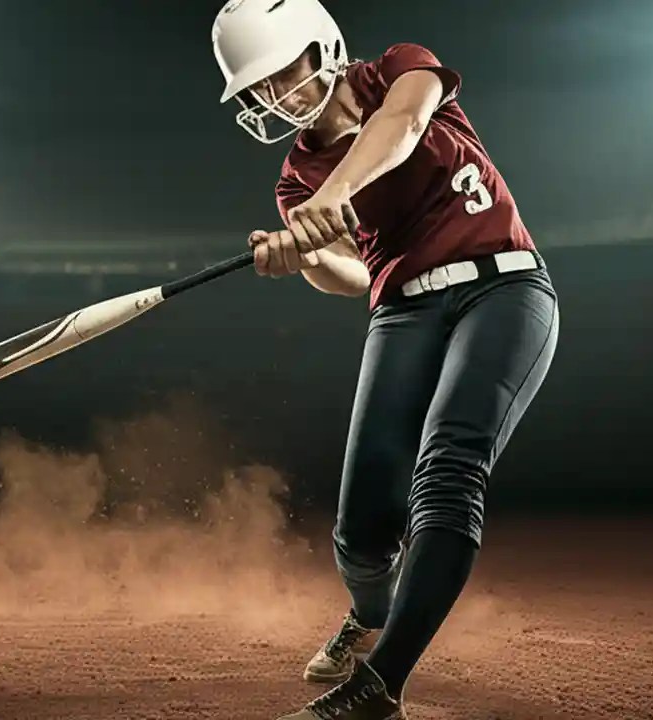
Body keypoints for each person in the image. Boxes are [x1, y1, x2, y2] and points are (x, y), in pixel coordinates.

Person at [211, 1, 560, 718]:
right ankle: (370, 612)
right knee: (361, 532)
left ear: (323, 47)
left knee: (448, 469)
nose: (275, 98)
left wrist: (335, 194)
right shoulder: (293, 182)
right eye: (258, 90)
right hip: (401, 308)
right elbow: (349, 274)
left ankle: (380, 685)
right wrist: (300, 253)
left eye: (282, 74)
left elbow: (399, 130)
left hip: (503, 286)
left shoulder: (399, 68)